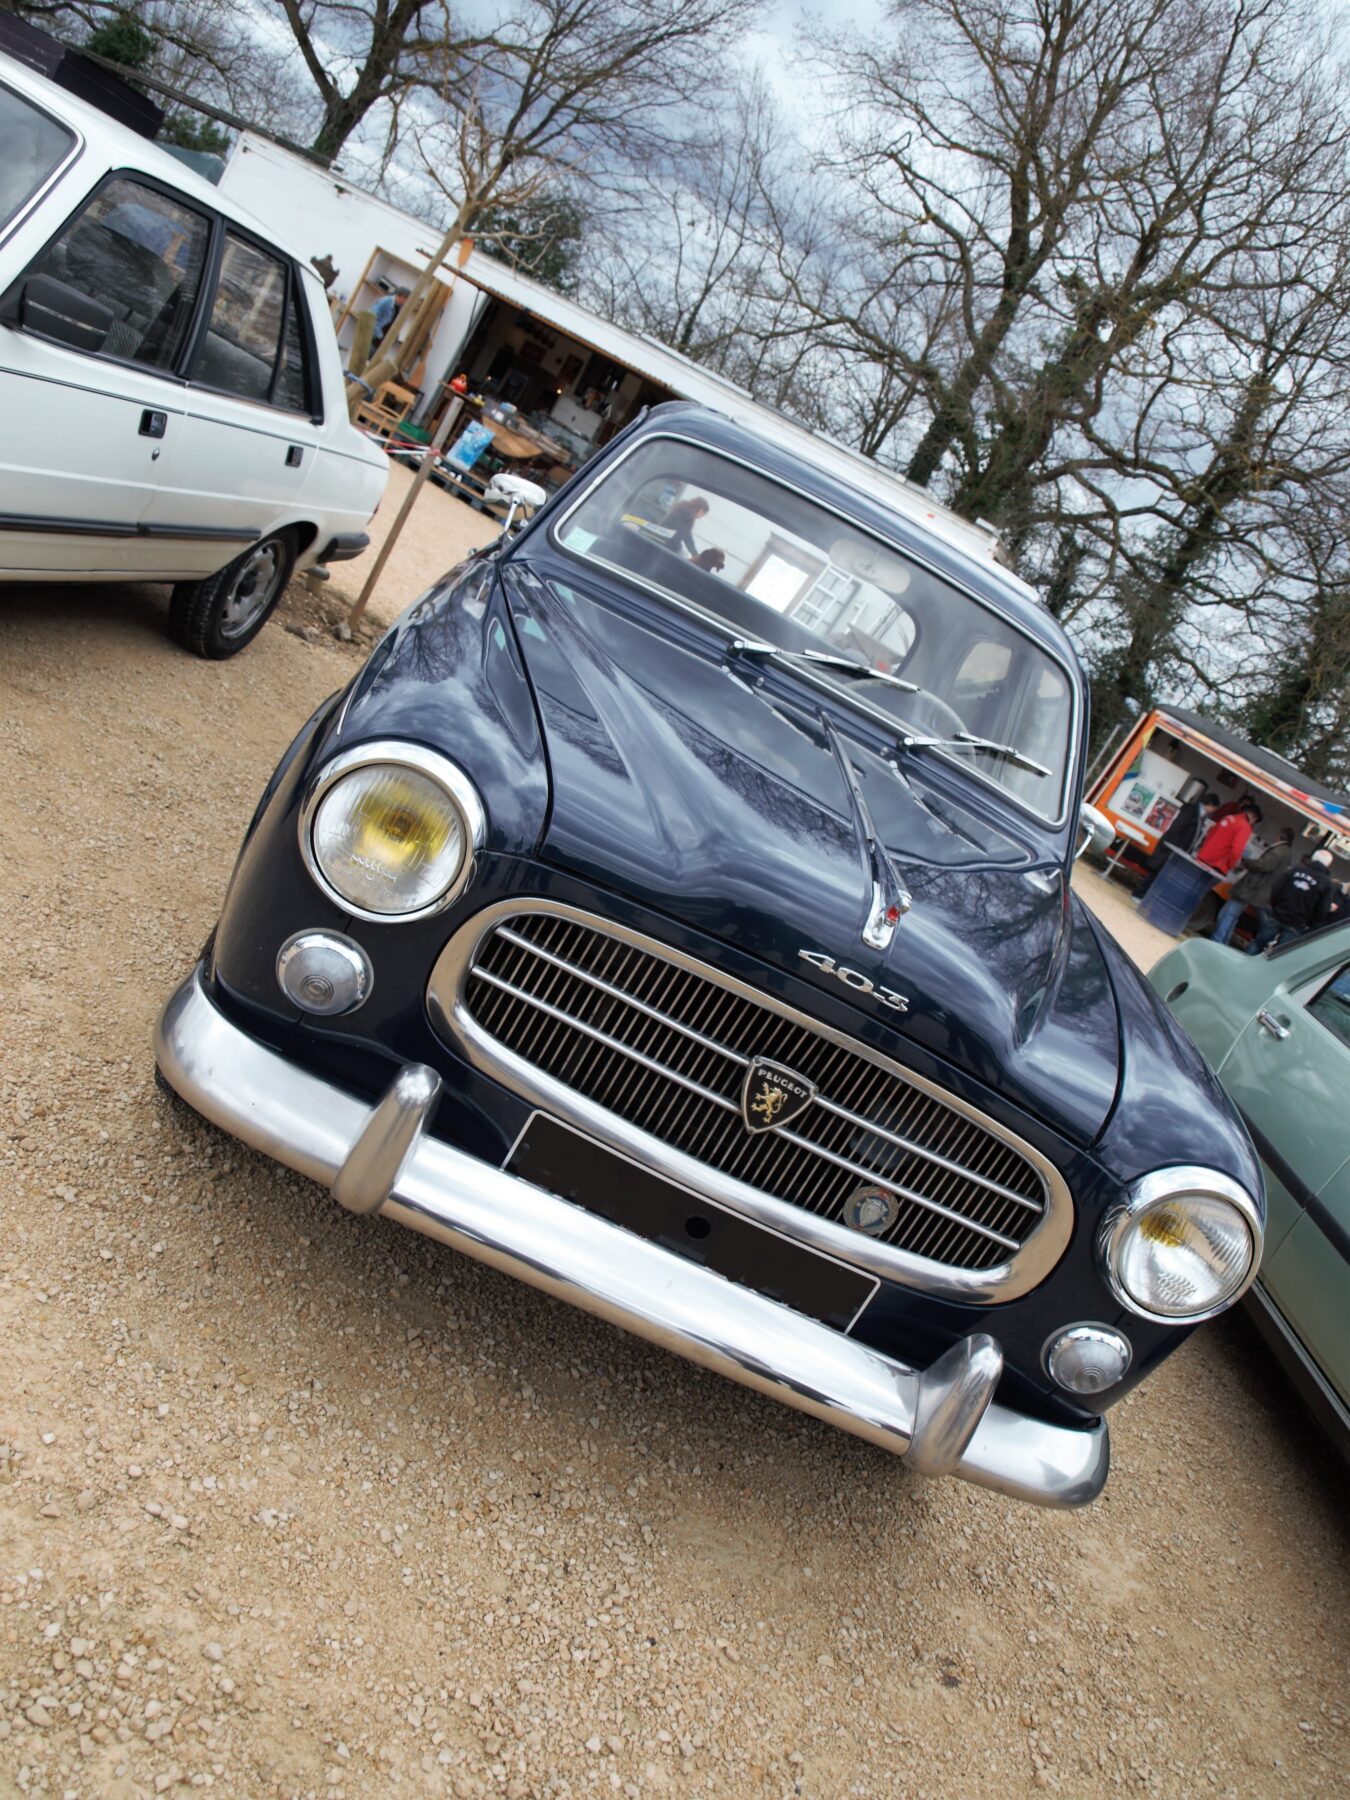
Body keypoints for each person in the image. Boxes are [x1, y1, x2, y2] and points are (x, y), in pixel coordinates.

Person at [1209, 827, 1294, 947]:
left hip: (1250, 888)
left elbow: (1264, 865)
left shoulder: (1278, 851)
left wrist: (1246, 861)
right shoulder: (1286, 852)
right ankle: (1223, 941)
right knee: (1233, 915)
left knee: (1227, 913)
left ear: (1280, 835)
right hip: (1256, 890)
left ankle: (1217, 940)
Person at [1247, 848, 1336, 953]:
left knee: (1258, 943)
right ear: (1328, 865)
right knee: (1279, 954)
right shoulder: (1327, 884)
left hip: (1279, 915)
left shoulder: (1295, 871)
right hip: (1298, 924)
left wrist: (1277, 907)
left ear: (1312, 859)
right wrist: (1311, 925)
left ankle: (1243, 964)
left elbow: (1276, 888)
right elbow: (1323, 908)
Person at [1134, 791, 1219, 898]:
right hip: (1172, 848)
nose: (1213, 811)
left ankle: (1145, 895)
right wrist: (1173, 846)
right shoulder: (1191, 810)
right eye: (1214, 808)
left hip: (1179, 850)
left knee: (1161, 874)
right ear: (1210, 805)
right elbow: (1176, 828)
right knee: (1156, 872)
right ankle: (1139, 894)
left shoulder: (1201, 817)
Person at [1194, 797, 1259, 876]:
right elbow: (1236, 850)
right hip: (1216, 865)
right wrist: (1230, 865)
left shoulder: (1228, 817)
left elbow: (1210, 832)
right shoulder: (1245, 826)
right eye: (1255, 820)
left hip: (1203, 856)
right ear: (1253, 817)